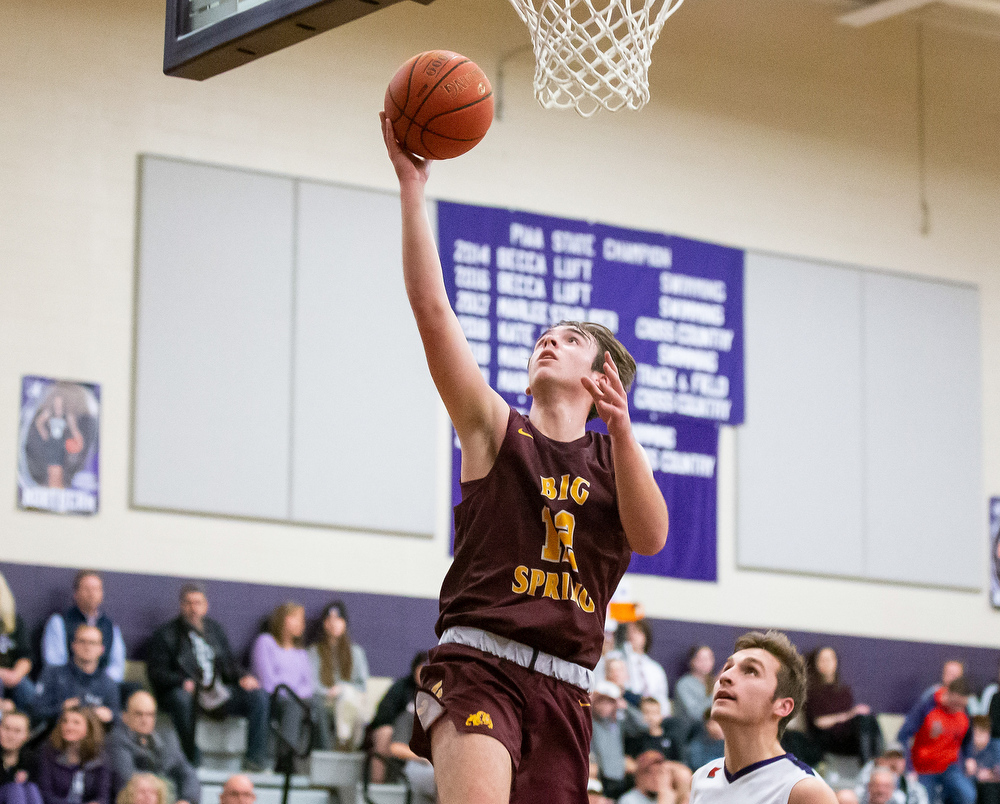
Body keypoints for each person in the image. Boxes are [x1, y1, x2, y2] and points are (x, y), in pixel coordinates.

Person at [380, 113, 669, 804]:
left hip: (566, 687)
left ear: (604, 375)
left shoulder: (613, 459)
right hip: (479, 662)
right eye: (543, 335)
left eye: (568, 339)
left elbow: (651, 537)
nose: (548, 340)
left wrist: (623, 430)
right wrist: (413, 190)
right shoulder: (492, 428)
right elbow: (431, 311)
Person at [689, 630, 837, 804]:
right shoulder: (702, 778)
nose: (725, 677)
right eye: (728, 668)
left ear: (782, 706)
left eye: (751, 671)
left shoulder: (804, 790)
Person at [145, 583, 269, 771]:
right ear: (181, 605)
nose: (193, 608)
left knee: (258, 696)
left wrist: (243, 677)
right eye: (188, 603)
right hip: (186, 693)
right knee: (181, 699)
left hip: (217, 691)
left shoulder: (215, 630)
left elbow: (229, 663)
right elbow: (156, 672)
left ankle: (255, 759)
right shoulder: (166, 634)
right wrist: (181, 682)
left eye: (198, 603)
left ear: (206, 606)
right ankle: (191, 758)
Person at [106, 691, 199, 804]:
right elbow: (127, 779)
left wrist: (186, 800)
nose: (145, 720)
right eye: (139, 714)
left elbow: (187, 772)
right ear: (125, 716)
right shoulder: (117, 739)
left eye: (150, 714)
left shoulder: (167, 738)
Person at [897, 676, 974, 804]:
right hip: (925, 767)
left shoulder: (963, 711)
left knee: (966, 794)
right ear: (947, 693)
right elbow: (903, 735)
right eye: (956, 704)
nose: (958, 709)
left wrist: (970, 757)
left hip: (950, 767)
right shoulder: (927, 705)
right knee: (924, 800)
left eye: (962, 705)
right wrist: (909, 769)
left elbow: (968, 737)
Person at [41, 572, 126, 687]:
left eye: (96, 589)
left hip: (102, 687)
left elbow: (117, 665)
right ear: (76, 594)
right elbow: (54, 662)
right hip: (67, 685)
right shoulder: (59, 622)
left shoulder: (110, 626)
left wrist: (101, 684)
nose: (92, 594)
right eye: (87, 589)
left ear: (102, 594)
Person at [249, 602, 312, 755]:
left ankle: (316, 757)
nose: (301, 624)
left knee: (313, 704)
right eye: (296, 618)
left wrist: (298, 695)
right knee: (294, 705)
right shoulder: (265, 642)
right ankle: (285, 758)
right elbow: (267, 680)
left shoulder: (301, 653)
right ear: (283, 619)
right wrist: (292, 695)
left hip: (296, 699)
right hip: (274, 697)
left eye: (302, 620)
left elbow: (309, 684)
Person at [307, 601, 369, 751]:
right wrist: (327, 692)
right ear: (324, 624)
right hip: (324, 700)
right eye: (330, 620)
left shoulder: (356, 652)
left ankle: (343, 739)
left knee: (347, 695)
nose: (334, 624)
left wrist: (342, 688)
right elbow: (310, 683)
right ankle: (344, 742)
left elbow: (362, 686)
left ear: (345, 623)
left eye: (338, 619)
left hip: (349, 700)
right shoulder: (315, 651)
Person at [804, 647, 882, 763]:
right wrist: (848, 715)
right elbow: (819, 722)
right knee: (861, 719)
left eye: (831, 659)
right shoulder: (812, 691)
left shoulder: (844, 691)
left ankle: (876, 761)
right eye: (823, 659)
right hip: (825, 739)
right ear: (816, 663)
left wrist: (857, 713)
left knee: (867, 718)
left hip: (847, 738)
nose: (828, 663)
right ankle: (868, 764)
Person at [35, 625, 121, 728]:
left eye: (93, 643)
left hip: (94, 740)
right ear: (73, 645)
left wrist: (109, 716)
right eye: (82, 641)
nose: (87, 647)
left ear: (101, 649)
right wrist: (61, 709)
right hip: (54, 735)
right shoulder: (53, 674)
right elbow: (35, 711)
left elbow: (116, 717)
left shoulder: (108, 683)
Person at [368, 652, 427, 783]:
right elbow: (382, 716)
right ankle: (377, 785)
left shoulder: (439, 693)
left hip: (423, 738)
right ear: (415, 669)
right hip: (399, 734)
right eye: (421, 669)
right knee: (385, 733)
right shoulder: (401, 688)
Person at [36, 707, 111, 804]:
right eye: (65, 721)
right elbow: (45, 794)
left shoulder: (100, 758)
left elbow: (103, 797)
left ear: (89, 728)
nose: (68, 727)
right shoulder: (48, 752)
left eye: (76, 722)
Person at [0, 574, 35, 716]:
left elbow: (26, 656)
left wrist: (16, 675)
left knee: (27, 689)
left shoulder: (14, 621)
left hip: (13, 677)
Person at [622, 621, 672, 716]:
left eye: (637, 632)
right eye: (629, 632)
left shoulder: (655, 668)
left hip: (654, 714)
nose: (632, 636)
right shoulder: (619, 661)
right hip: (630, 711)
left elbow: (662, 697)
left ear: (645, 636)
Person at [619, 750, 690, 804]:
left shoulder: (668, 795)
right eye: (650, 773)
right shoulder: (629, 800)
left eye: (659, 772)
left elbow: (684, 774)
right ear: (639, 776)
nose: (655, 778)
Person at [1, 709, 40, 804]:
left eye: (17, 731)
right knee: (15, 790)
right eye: (6, 728)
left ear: (27, 736)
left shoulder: (31, 759)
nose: (10, 735)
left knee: (32, 788)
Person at [675, 647, 716, 727]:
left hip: (714, 728)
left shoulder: (713, 682)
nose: (706, 662)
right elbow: (695, 714)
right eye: (702, 659)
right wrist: (716, 692)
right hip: (690, 730)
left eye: (709, 658)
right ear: (692, 661)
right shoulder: (684, 684)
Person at [966, 714, 1000, 782]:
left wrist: (991, 773)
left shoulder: (996, 746)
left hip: (992, 786)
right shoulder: (966, 748)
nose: (982, 739)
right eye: (978, 735)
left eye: (985, 734)